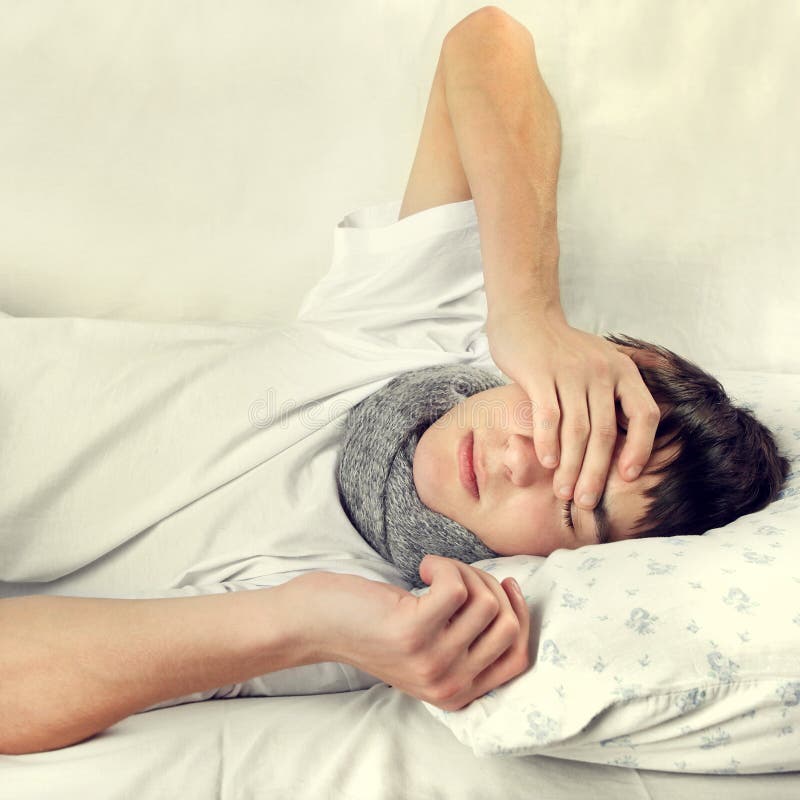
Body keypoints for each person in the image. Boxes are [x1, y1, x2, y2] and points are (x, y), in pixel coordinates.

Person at [0, 6, 788, 756]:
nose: (520, 462)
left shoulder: (372, 614)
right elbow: (487, 43)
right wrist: (528, 311)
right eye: (561, 423)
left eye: (570, 505)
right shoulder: (434, 337)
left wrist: (300, 623)